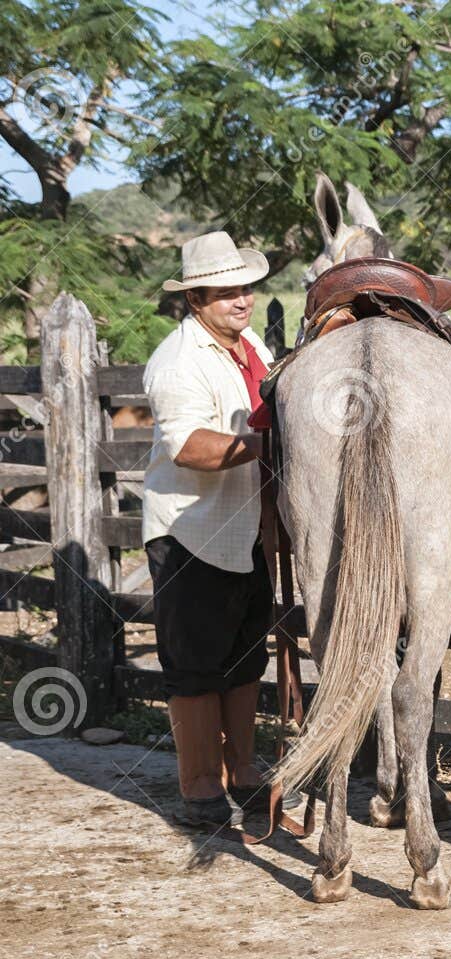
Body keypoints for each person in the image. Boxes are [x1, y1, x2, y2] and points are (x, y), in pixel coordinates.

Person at [143, 231, 292, 829]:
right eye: (225, 292)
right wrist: (271, 445)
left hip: (246, 530)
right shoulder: (177, 361)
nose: (242, 301)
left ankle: (243, 772)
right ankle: (200, 785)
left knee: (243, 661)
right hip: (191, 534)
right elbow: (187, 447)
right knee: (196, 668)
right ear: (196, 298)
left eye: (245, 289)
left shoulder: (249, 344)